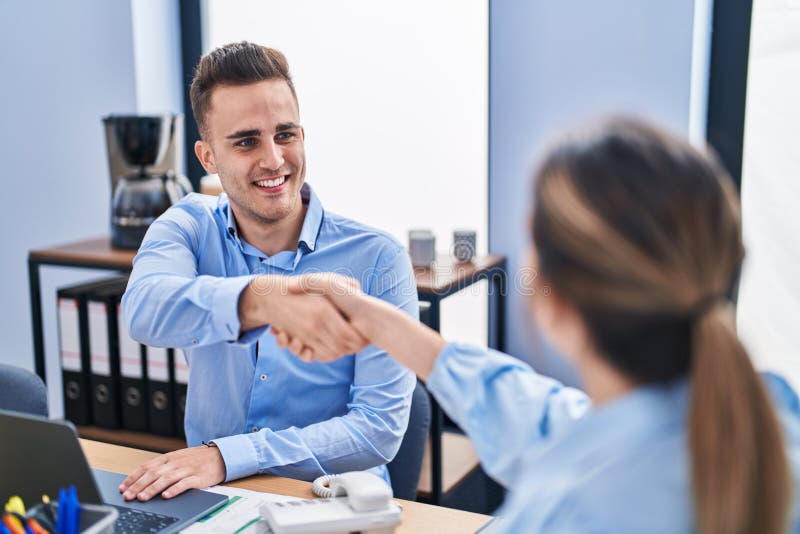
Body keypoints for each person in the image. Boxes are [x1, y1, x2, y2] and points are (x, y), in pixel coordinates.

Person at [274, 119, 800, 532]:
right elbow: (540, 416)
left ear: (556, 301)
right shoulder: (765, 422)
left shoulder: (568, 509)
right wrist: (372, 316)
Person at [118, 41, 417, 502]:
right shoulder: (189, 226)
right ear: (208, 158)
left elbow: (378, 429)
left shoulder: (378, 259)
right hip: (215, 496)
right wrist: (260, 298)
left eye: (285, 134)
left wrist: (229, 456)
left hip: (332, 502)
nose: (274, 159)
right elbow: (143, 309)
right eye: (245, 141)